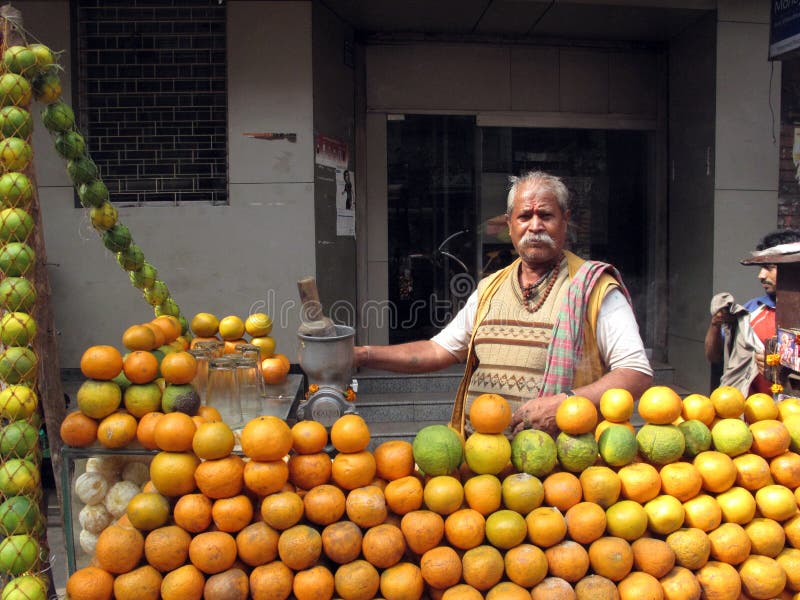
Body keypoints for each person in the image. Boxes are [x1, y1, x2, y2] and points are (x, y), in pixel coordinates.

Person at [353, 171, 653, 435]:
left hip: (556, 468)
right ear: (510, 225)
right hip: (481, 464)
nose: (535, 226)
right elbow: (437, 350)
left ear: (565, 220)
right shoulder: (490, 288)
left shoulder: (594, 288)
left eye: (546, 215)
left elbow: (636, 372)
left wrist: (566, 403)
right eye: (524, 216)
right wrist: (362, 355)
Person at [704, 228, 800, 395]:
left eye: (769, 267)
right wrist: (715, 325)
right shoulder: (751, 311)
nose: (761, 275)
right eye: (761, 267)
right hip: (752, 409)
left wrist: (785, 370)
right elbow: (714, 357)